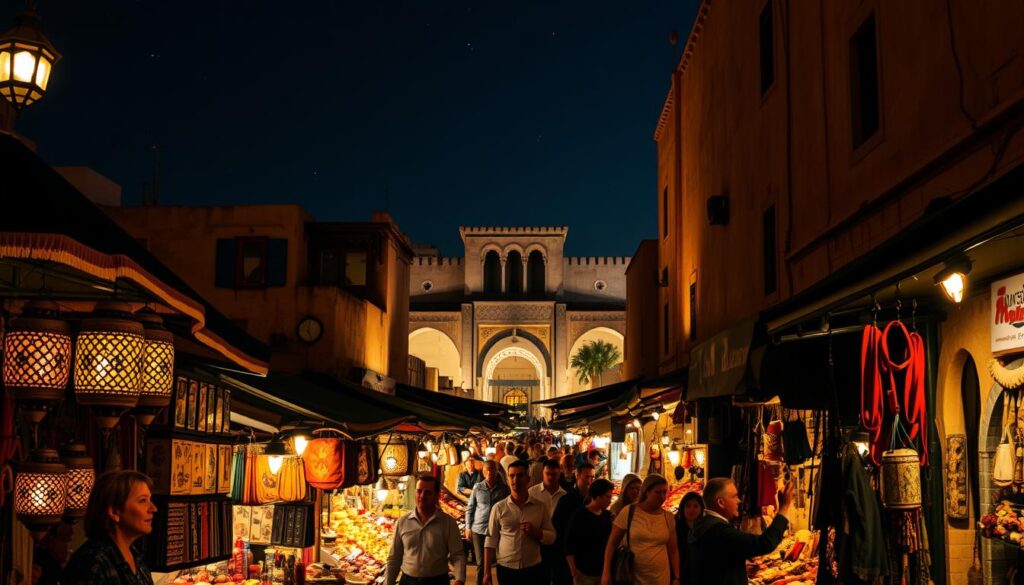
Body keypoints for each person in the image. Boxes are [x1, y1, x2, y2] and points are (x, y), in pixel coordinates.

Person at [686, 477, 794, 585]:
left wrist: (737, 563)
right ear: (721, 503)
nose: (739, 501)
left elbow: (716, 563)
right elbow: (765, 543)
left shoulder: (702, 524)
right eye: (734, 496)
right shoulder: (719, 531)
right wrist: (783, 508)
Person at [62, 470, 158, 585]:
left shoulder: (136, 555)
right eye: (142, 501)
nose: (153, 508)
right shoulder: (93, 563)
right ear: (114, 512)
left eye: (149, 499)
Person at [482, 460, 555, 585]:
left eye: (520, 475)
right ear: (507, 479)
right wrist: (487, 572)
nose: (515, 480)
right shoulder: (499, 508)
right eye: (512, 476)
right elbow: (490, 541)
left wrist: (537, 533)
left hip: (533, 568)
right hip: (506, 569)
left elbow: (552, 537)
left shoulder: (540, 507)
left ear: (528, 479)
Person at [385, 475, 466, 585]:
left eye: (428, 492)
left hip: (437, 582)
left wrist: (459, 580)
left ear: (436, 496)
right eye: (419, 491)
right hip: (408, 581)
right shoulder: (403, 522)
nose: (422, 496)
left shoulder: (448, 523)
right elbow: (394, 558)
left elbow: (457, 555)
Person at [600, 474, 679, 585]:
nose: (662, 497)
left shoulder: (668, 517)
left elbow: (673, 549)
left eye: (664, 492)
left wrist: (677, 577)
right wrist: (606, 571)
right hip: (633, 577)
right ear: (647, 492)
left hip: (660, 578)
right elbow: (612, 543)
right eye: (657, 492)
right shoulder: (629, 511)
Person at [465, 460, 510, 585]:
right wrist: (468, 527)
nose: (490, 472)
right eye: (487, 470)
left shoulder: (504, 489)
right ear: (484, 472)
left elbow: (508, 507)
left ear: (496, 471)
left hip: (497, 530)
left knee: (499, 560)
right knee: (481, 562)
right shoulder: (477, 487)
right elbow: (470, 508)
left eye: (492, 469)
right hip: (478, 530)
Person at [551, 462, 596, 585]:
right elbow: (557, 527)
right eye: (587, 476)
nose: (590, 480)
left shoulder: (594, 499)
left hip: (587, 554)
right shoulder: (566, 499)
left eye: (592, 477)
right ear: (577, 475)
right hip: (567, 553)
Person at [566, 479, 614, 585]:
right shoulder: (580, 515)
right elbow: (569, 544)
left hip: (603, 572)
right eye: (608, 497)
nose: (610, 501)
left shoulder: (607, 516)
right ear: (598, 496)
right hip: (584, 572)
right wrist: (573, 570)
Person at [529, 459, 568, 584]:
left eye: (554, 474)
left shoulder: (565, 495)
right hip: (538, 540)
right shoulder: (532, 493)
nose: (551, 477)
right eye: (548, 474)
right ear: (542, 473)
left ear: (559, 474)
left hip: (558, 543)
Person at [674, 492, 705, 581]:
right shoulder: (676, 527)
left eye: (695, 506)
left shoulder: (705, 527)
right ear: (682, 508)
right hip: (681, 572)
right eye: (688, 506)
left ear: (701, 508)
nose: (692, 510)